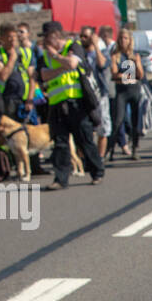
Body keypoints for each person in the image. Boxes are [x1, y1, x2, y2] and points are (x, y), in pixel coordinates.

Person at [38, 20, 105, 188]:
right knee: (60, 143)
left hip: (76, 103)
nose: (45, 41)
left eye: (46, 37)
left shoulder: (73, 46)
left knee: (84, 139)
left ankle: (97, 171)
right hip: (56, 104)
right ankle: (60, 179)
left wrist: (57, 57)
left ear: (55, 36)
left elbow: (72, 63)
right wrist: (61, 67)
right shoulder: (44, 55)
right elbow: (44, 75)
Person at [108, 28, 145, 160]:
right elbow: (114, 74)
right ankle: (110, 150)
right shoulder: (115, 55)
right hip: (121, 91)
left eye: (126, 38)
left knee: (136, 121)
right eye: (121, 38)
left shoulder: (135, 55)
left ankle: (135, 148)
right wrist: (129, 75)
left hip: (134, 90)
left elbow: (140, 75)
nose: (123, 41)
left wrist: (134, 65)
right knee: (117, 120)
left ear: (130, 40)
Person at [79, 25, 113, 165]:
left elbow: (102, 64)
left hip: (101, 95)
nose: (83, 39)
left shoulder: (104, 52)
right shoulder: (79, 54)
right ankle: (87, 158)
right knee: (86, 129)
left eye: (86, 36)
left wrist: (96, 46)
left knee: (103, 128)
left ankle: (100, 157)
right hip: (84, 96)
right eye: (81, 36)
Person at [0, 23, 25, 119]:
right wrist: (12, 58)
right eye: (9, 36)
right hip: (6, 99)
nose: (13, 39)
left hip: (23, 99)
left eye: (14, 36)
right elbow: (3, 76)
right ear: (2, 38)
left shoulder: (23, 52)